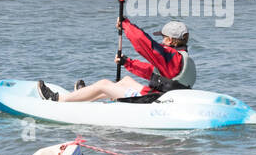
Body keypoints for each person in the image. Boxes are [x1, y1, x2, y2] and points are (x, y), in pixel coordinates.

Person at [38, 19, 196, 102]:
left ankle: (57, 100)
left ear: (169, 40)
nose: (161, 41)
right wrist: (127, 63)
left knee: (104, 85)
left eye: (163, 38)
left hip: (153, 101)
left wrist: (125, 24)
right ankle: (81, 96)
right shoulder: (180, 58)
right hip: (159, 96)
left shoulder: (171, 56)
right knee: (125, 80)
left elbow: (144, 43)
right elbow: (152, 72)